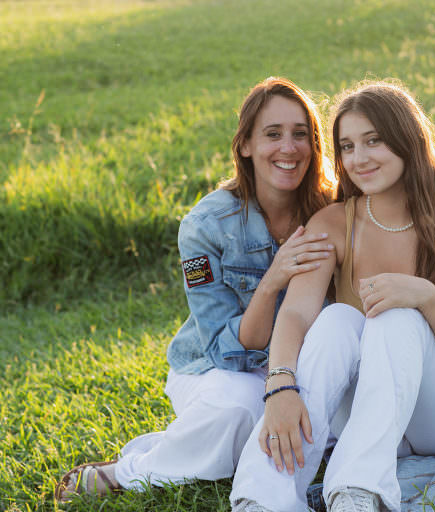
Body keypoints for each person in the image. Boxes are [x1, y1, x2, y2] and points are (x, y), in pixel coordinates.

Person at [229, 81, 435, 512]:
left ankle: (358, 496)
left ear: (406, 141)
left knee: (398, 317)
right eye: (348, 146)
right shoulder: (334, 223)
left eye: (373, 141)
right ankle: (262, 498)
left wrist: (426, 297)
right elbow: (299, 315)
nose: (359, 159)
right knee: (337, 319)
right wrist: (280, 384)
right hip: (369, 416)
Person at [56, 77, 334, 502]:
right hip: (216, 369)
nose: (289, 148)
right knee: (240, 408)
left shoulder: (330, 212)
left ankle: (191, 442)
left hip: (296, 363)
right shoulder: (206, 226)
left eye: (301, 134)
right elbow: (228, 350)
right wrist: (274, 277)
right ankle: (128, 472)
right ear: (245, 145)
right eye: (272, 134)